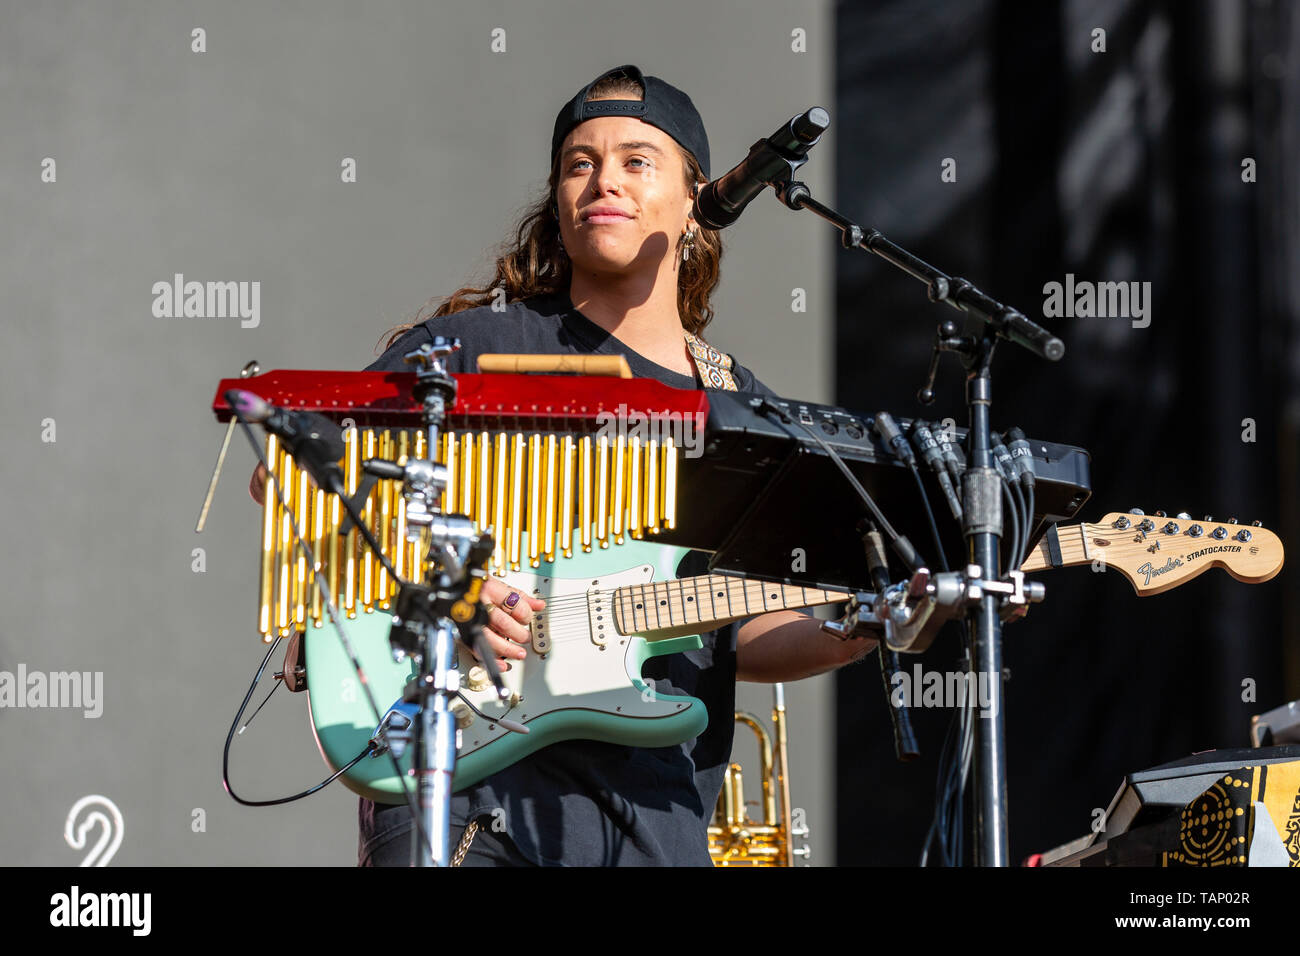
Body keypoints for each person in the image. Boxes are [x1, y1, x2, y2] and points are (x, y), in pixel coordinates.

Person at [254, 64, 876, 866]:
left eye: (635, 161)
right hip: (466, 797)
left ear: (696, 202)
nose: (602, 182)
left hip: (653, 816)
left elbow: (740, 630)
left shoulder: (739, 408)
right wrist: (452, 580)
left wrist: (876, 620)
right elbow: (296, 473)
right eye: (579, 164)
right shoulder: (475, 350)